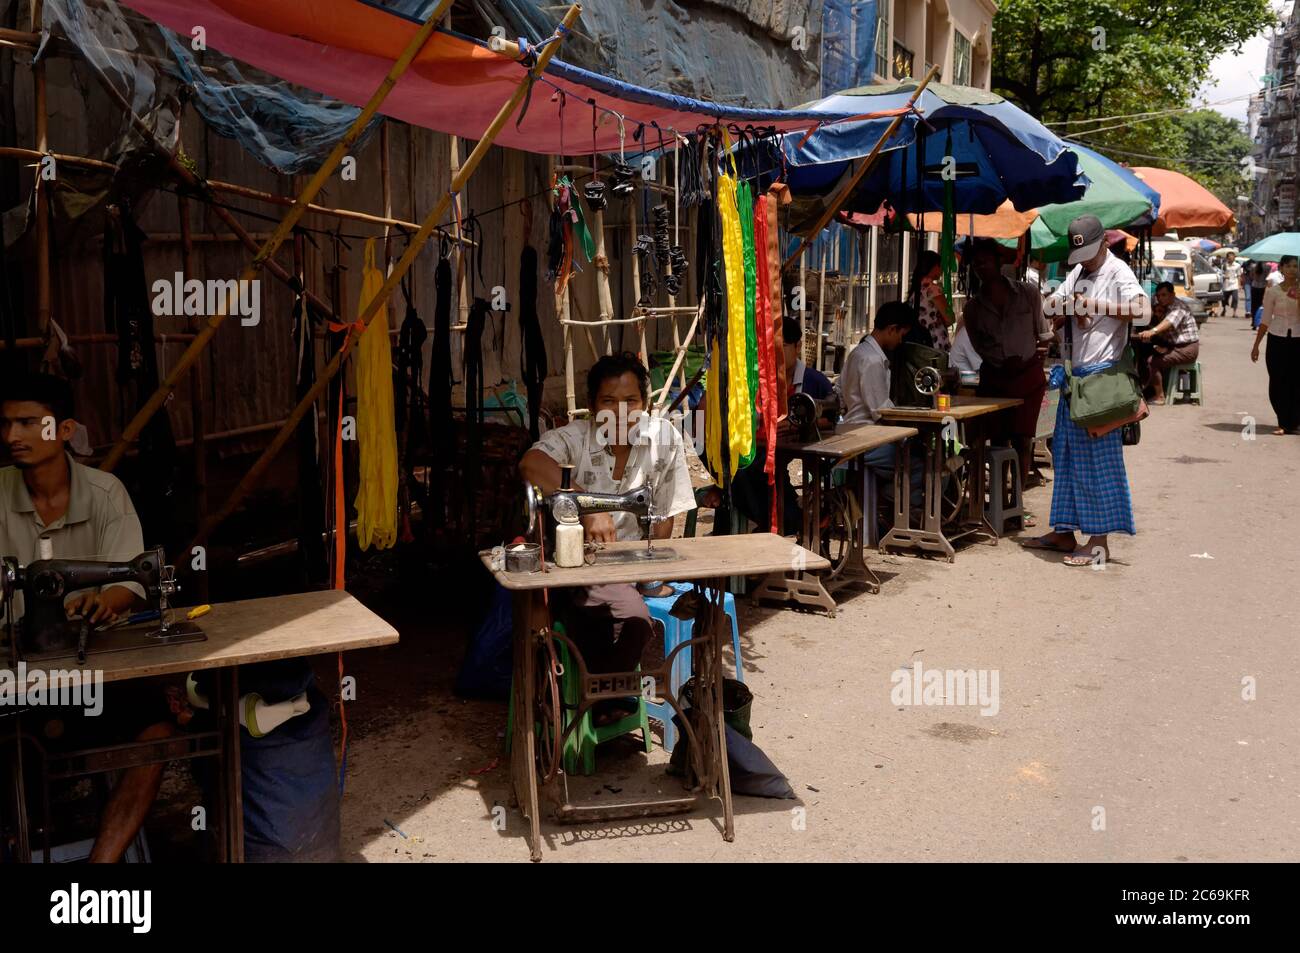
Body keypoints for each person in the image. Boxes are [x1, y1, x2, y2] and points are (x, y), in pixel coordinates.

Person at [1, 372, 176, 862]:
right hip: (16, 682)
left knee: (157, 735)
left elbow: (130, 577)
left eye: (28, 423)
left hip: (94, 675)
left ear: (64, 428)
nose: (12, 436)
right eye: (7, 424)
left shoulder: (105, 493)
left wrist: (108, 601)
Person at [519, 353, 695, 723]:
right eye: (608, 402)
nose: (621, 413)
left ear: (645, 405)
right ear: (591, 407)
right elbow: (531, 464)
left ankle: (604, 694)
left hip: (631, 564)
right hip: (582, 564)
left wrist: (653, 571)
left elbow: (665, 513)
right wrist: (587, 507)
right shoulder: (573, 440)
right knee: (634, 618)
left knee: (642, 608)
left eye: (631, 401)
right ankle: (605, 697)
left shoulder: (663, 440)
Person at [1022, 214, 1150, 567]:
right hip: (1072, 379)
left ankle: (1099, 542)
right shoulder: (1078, 272)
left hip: (1101, 381)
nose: (1086, 261)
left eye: (1091, 254)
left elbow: (1143, 311)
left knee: (1098, 463)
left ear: (1104, 244)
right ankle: (1064, 531)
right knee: (1064, 457)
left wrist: (1096, 306)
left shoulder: (1119, 272)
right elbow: (1049, 305)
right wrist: (1069, 307)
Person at [962, 239, 1051, 490]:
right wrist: (1001, 364)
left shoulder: (1028, 294)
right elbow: (980, 347)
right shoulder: (973, 309)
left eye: (985, 261)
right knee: (998, 441)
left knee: (1023, 441)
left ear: (999, 263)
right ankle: (1000, 499)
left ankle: (1018, 501)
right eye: (976, 263)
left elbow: (1044, 336)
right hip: (996, 379)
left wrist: (1032, 362)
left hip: (1028, 377)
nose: (981, 267)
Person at [730, 317, 832, 531]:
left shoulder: (815, 381)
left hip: (795, 447)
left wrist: (800, 426)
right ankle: (784, 522)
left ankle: (781, 523)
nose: (776, 353)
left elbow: (831, 418)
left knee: (754, 472)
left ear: (797, 346)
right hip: (763, 447)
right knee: (742, 472)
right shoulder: (760, 380)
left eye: (782, 346)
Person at [839, 302, 924, 495]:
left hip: (852, 432)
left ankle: (884, 500)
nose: (901, 342)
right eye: (901, 335)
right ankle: (892, 503)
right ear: (892, 329)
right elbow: (882, 412)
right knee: (921, 463)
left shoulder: (857, 353)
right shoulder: (872, 360)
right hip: (865, 439)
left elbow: (841, 394)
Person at [1250, 255, 1300, 435]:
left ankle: (1294, 422)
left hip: (1297, 338)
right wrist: (1256, 345)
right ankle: (1282, 421)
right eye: (1290, 266)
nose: (1293, 270)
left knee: (1296, 380)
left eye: (1296, 266)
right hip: (1277, 339)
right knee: (1278, 380)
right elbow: (1265, 320)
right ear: (1282, 269)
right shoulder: (1273, 292)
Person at [1136, 282, 1200, 405]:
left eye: (1164, 295)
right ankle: (1148, 389)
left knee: (1152, 361)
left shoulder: (1179, 307)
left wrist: (1152, 331)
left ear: (1172, 295)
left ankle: (1160, 397)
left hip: (1187, 349)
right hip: (1174, 347)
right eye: (1159, 296)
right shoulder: (1162, 307)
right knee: (1146, 352)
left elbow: (1169, 322)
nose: (1161, 298)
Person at [909, 250, 953, 351]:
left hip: (919, 343)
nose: (942, 270)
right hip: (936, 342)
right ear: (933, 267)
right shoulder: (933, 289)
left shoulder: (916, 289)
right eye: (941, 266)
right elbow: (950, 318)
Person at [1220, 251, 1242, 318]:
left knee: (1235, 298)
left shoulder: (1237, 265)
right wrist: (1224, 276)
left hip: (1234, 283)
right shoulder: (1224, 265)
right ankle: (1224, 309)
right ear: (1227, 258)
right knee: (1224, 299)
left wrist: (1239, 284)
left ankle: (1234, 312)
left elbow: (1239, 275)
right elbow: (1221, 273)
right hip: (1226, 284)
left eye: (1233, 258)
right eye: (1230, 258)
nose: (1231, 259)